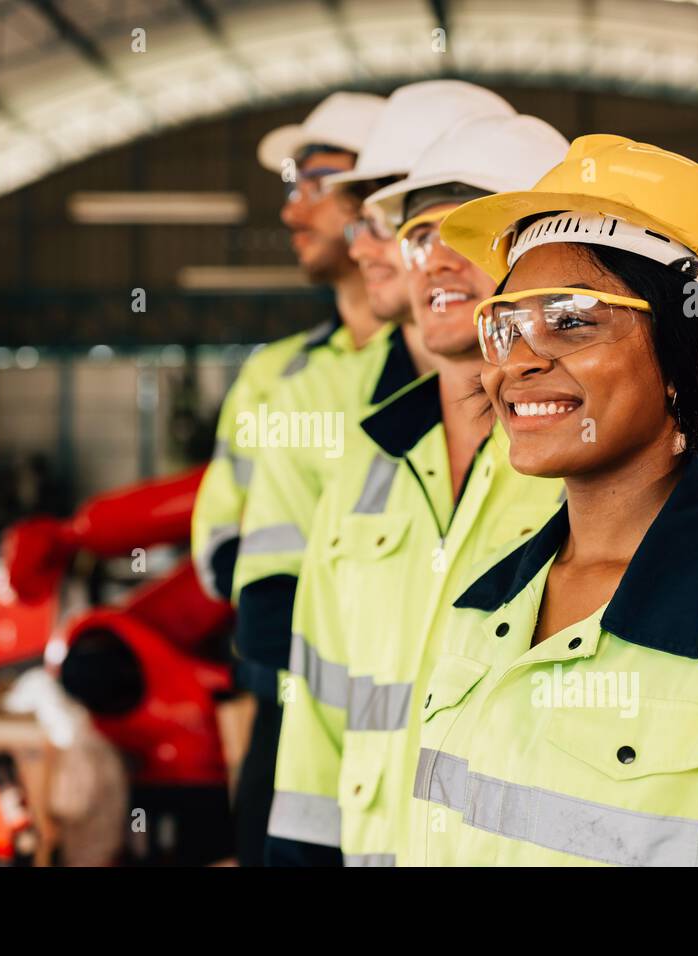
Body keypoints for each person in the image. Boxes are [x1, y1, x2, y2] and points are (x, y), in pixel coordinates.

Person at [405, 134, 698, 865]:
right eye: (505, 326)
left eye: (571, 319)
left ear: (683, 358)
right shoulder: (487, 605)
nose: (520, 361)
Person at [264, 113, 570, 866]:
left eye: (470, 233)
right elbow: (316, 704)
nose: (436, 261)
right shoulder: (370, 460)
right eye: (421, 236)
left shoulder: (583, 468)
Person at [191, 91, 385, 606]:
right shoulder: (272, 374)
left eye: (317, 185)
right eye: (294, 188)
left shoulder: (448, 364)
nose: (291, 210)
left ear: (380, 194)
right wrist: (268, 604)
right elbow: (221, 522)